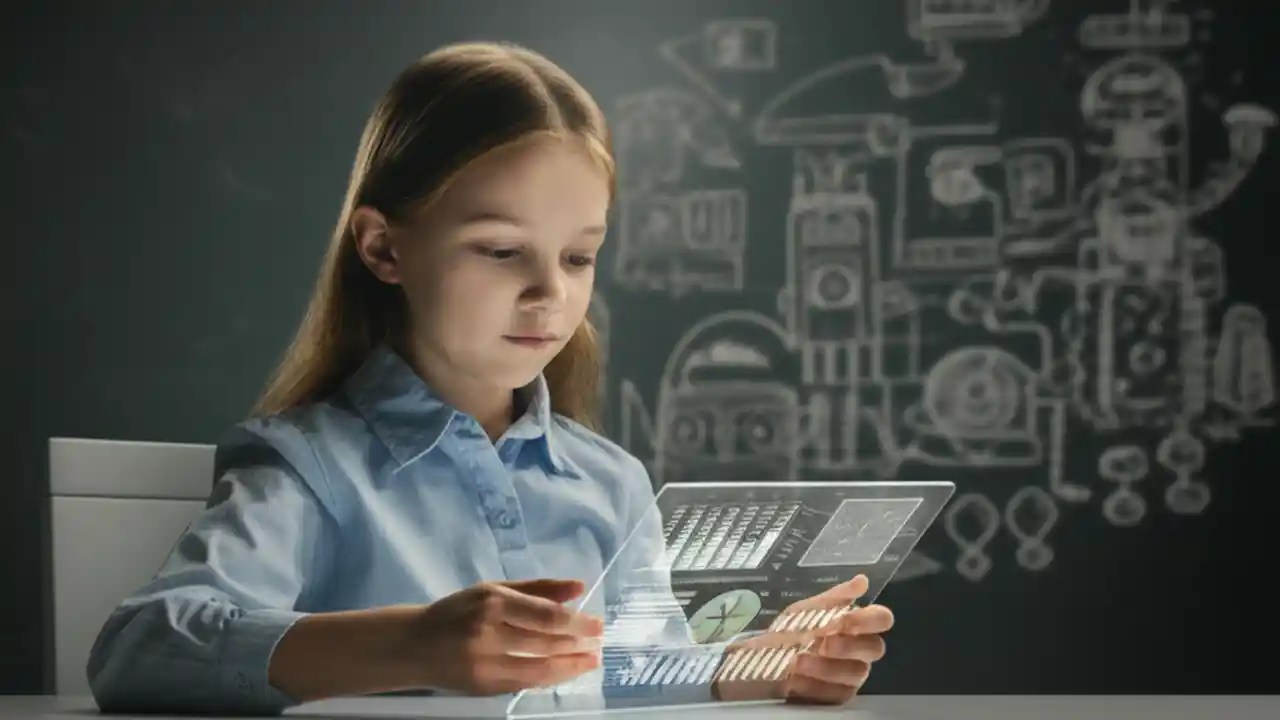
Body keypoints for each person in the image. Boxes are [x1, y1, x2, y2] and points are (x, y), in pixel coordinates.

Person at [84, 40, 894, 716]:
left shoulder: (612, 481)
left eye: (578, 257)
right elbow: (141, 645)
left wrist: (746, 666)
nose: (551, 293)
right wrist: (412, 645)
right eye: (502, 250)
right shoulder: (311, 467)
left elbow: (632, 675)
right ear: (383, 249)